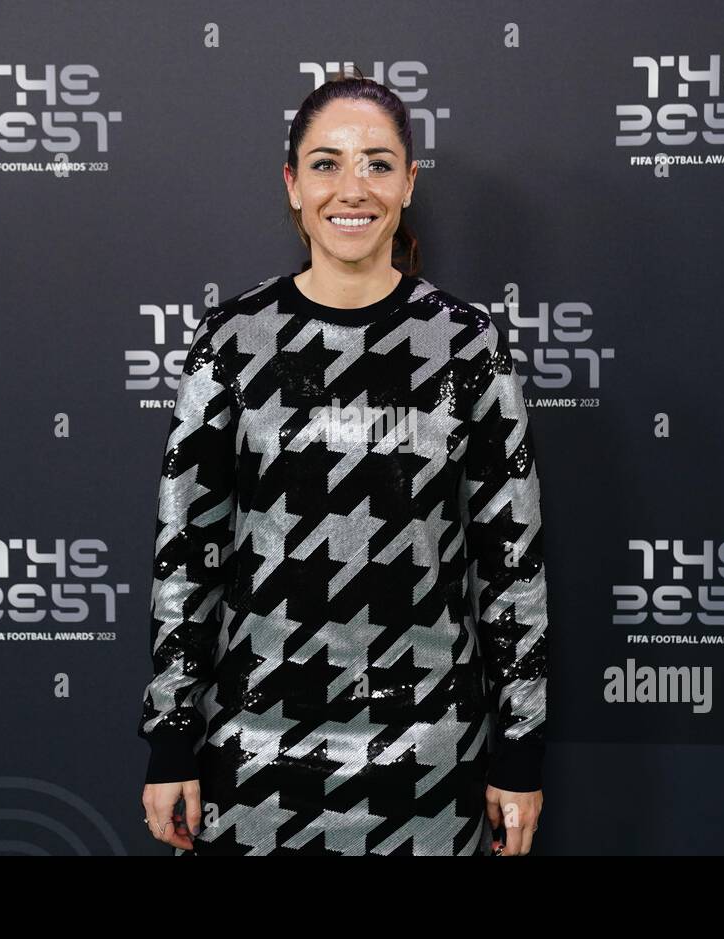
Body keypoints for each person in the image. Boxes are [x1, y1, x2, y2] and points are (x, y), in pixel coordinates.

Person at [137, 70, 548, 855]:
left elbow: (511, 564)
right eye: (325, 163)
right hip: (257, 753)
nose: (350, 188)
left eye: (377, 163)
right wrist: (170, 737)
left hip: (428, 752)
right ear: (292, 185)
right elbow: (187, 553)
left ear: (408, 182)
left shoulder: (467, 345)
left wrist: (519, 748)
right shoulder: (232, 341)